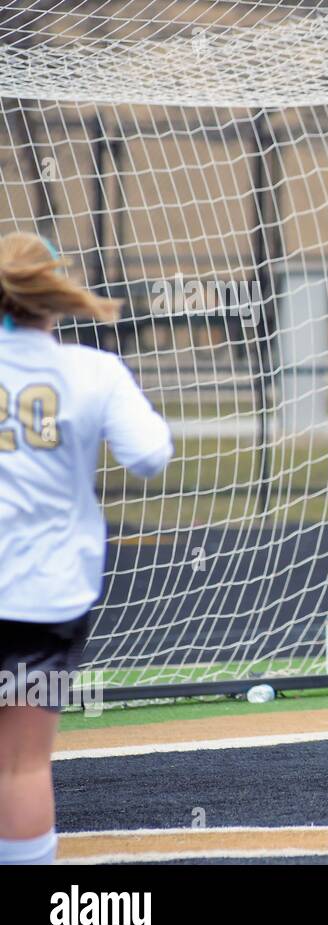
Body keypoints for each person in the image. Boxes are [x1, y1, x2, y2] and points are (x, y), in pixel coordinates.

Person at [0, 232, 173, 865]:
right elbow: (150, 455)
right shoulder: (91, 370)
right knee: (19, 767)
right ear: (52, 294)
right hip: (43, 596)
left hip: (41, 592)